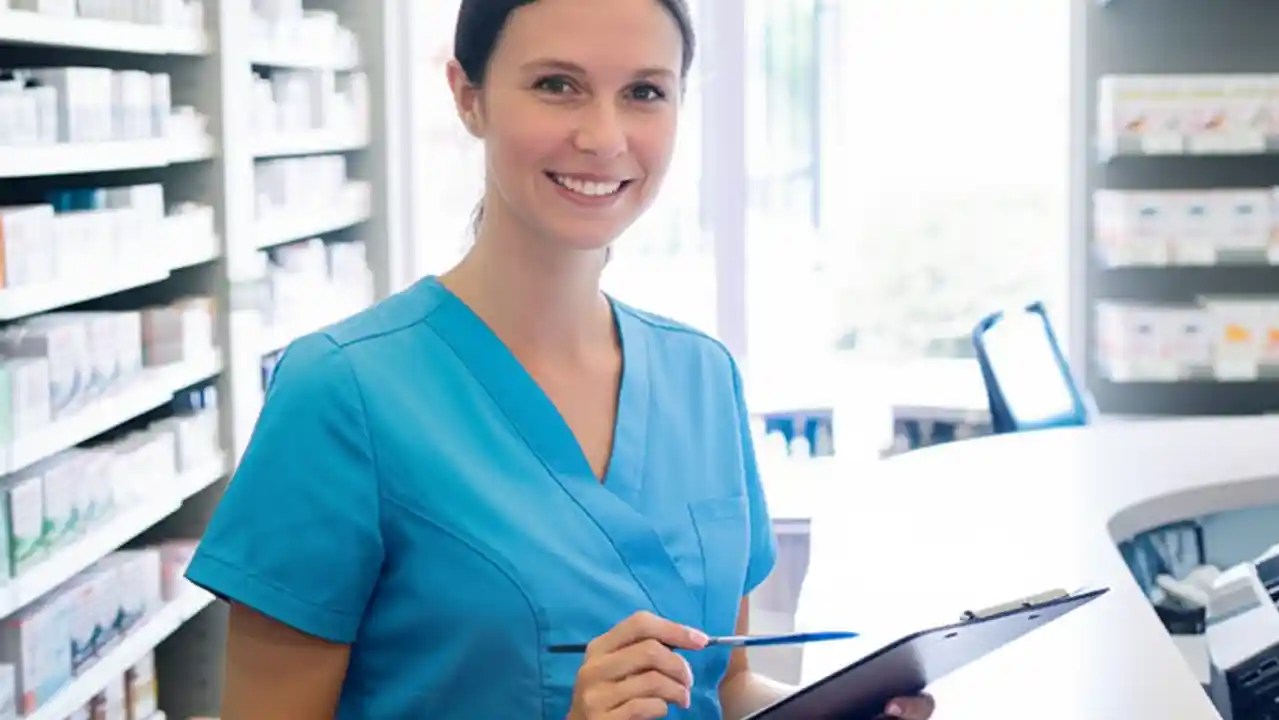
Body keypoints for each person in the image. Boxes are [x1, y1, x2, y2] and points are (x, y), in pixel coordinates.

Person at [184, 1, 937, 718]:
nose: (604, 136)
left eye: (644, 92)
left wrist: (842, 709)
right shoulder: (342, 392)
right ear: (468, 96)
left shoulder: (702, 376)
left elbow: (723, 687)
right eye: (557, 85)